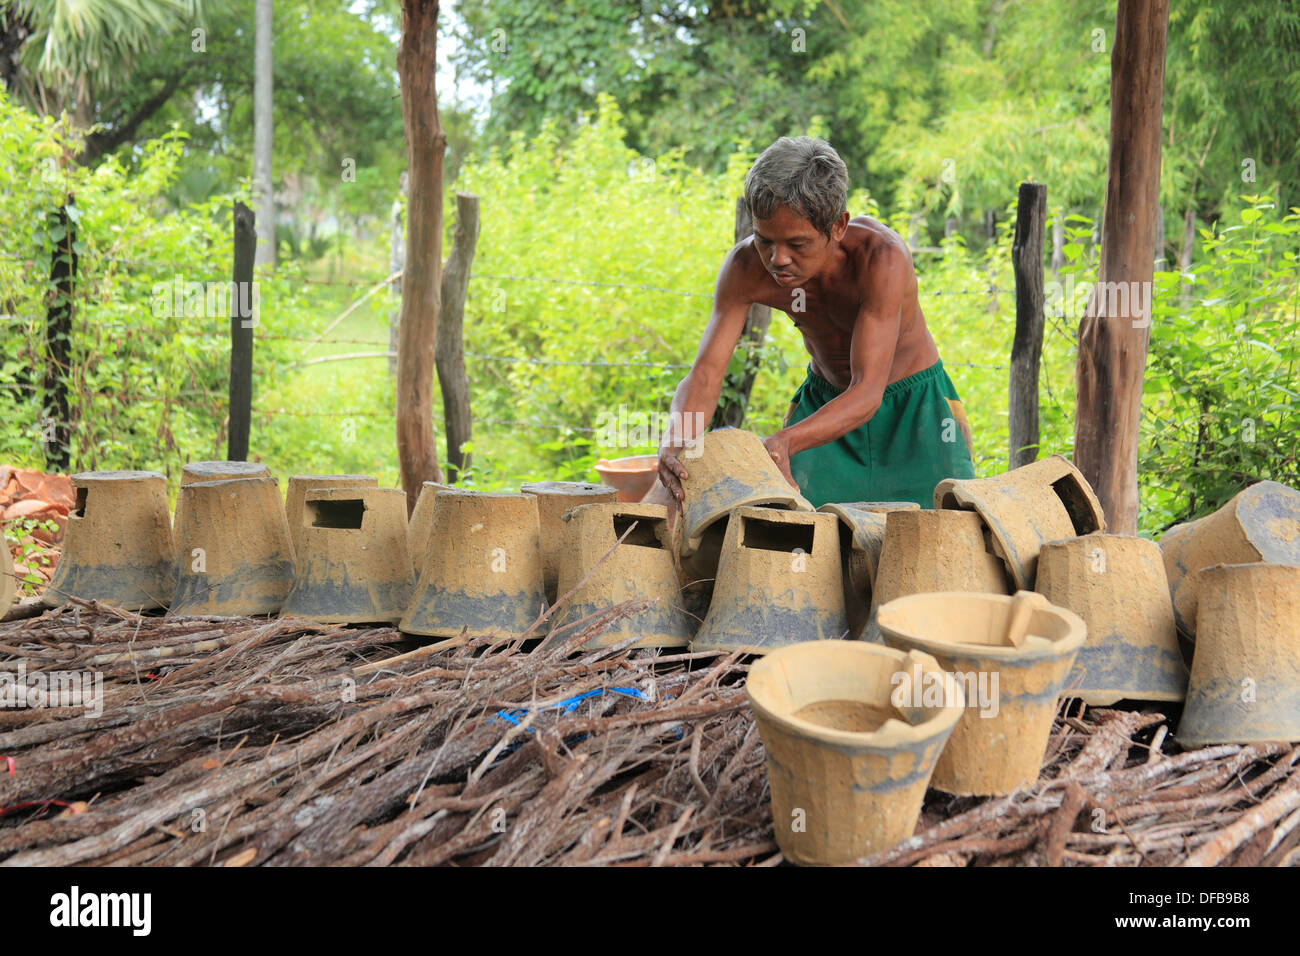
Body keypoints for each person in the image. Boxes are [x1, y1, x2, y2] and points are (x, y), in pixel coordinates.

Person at [649, 135, 976, 511]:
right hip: (824, 407)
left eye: (797, 244)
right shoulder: (744, 268)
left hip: (914, 410)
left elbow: (867, 392)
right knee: (800, 537)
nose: (777, 259)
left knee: (945, 535)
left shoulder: (881, 258)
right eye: (764, 240)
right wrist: (678, 436)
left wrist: (785, 440)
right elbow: (705, 377)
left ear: (838, 226)